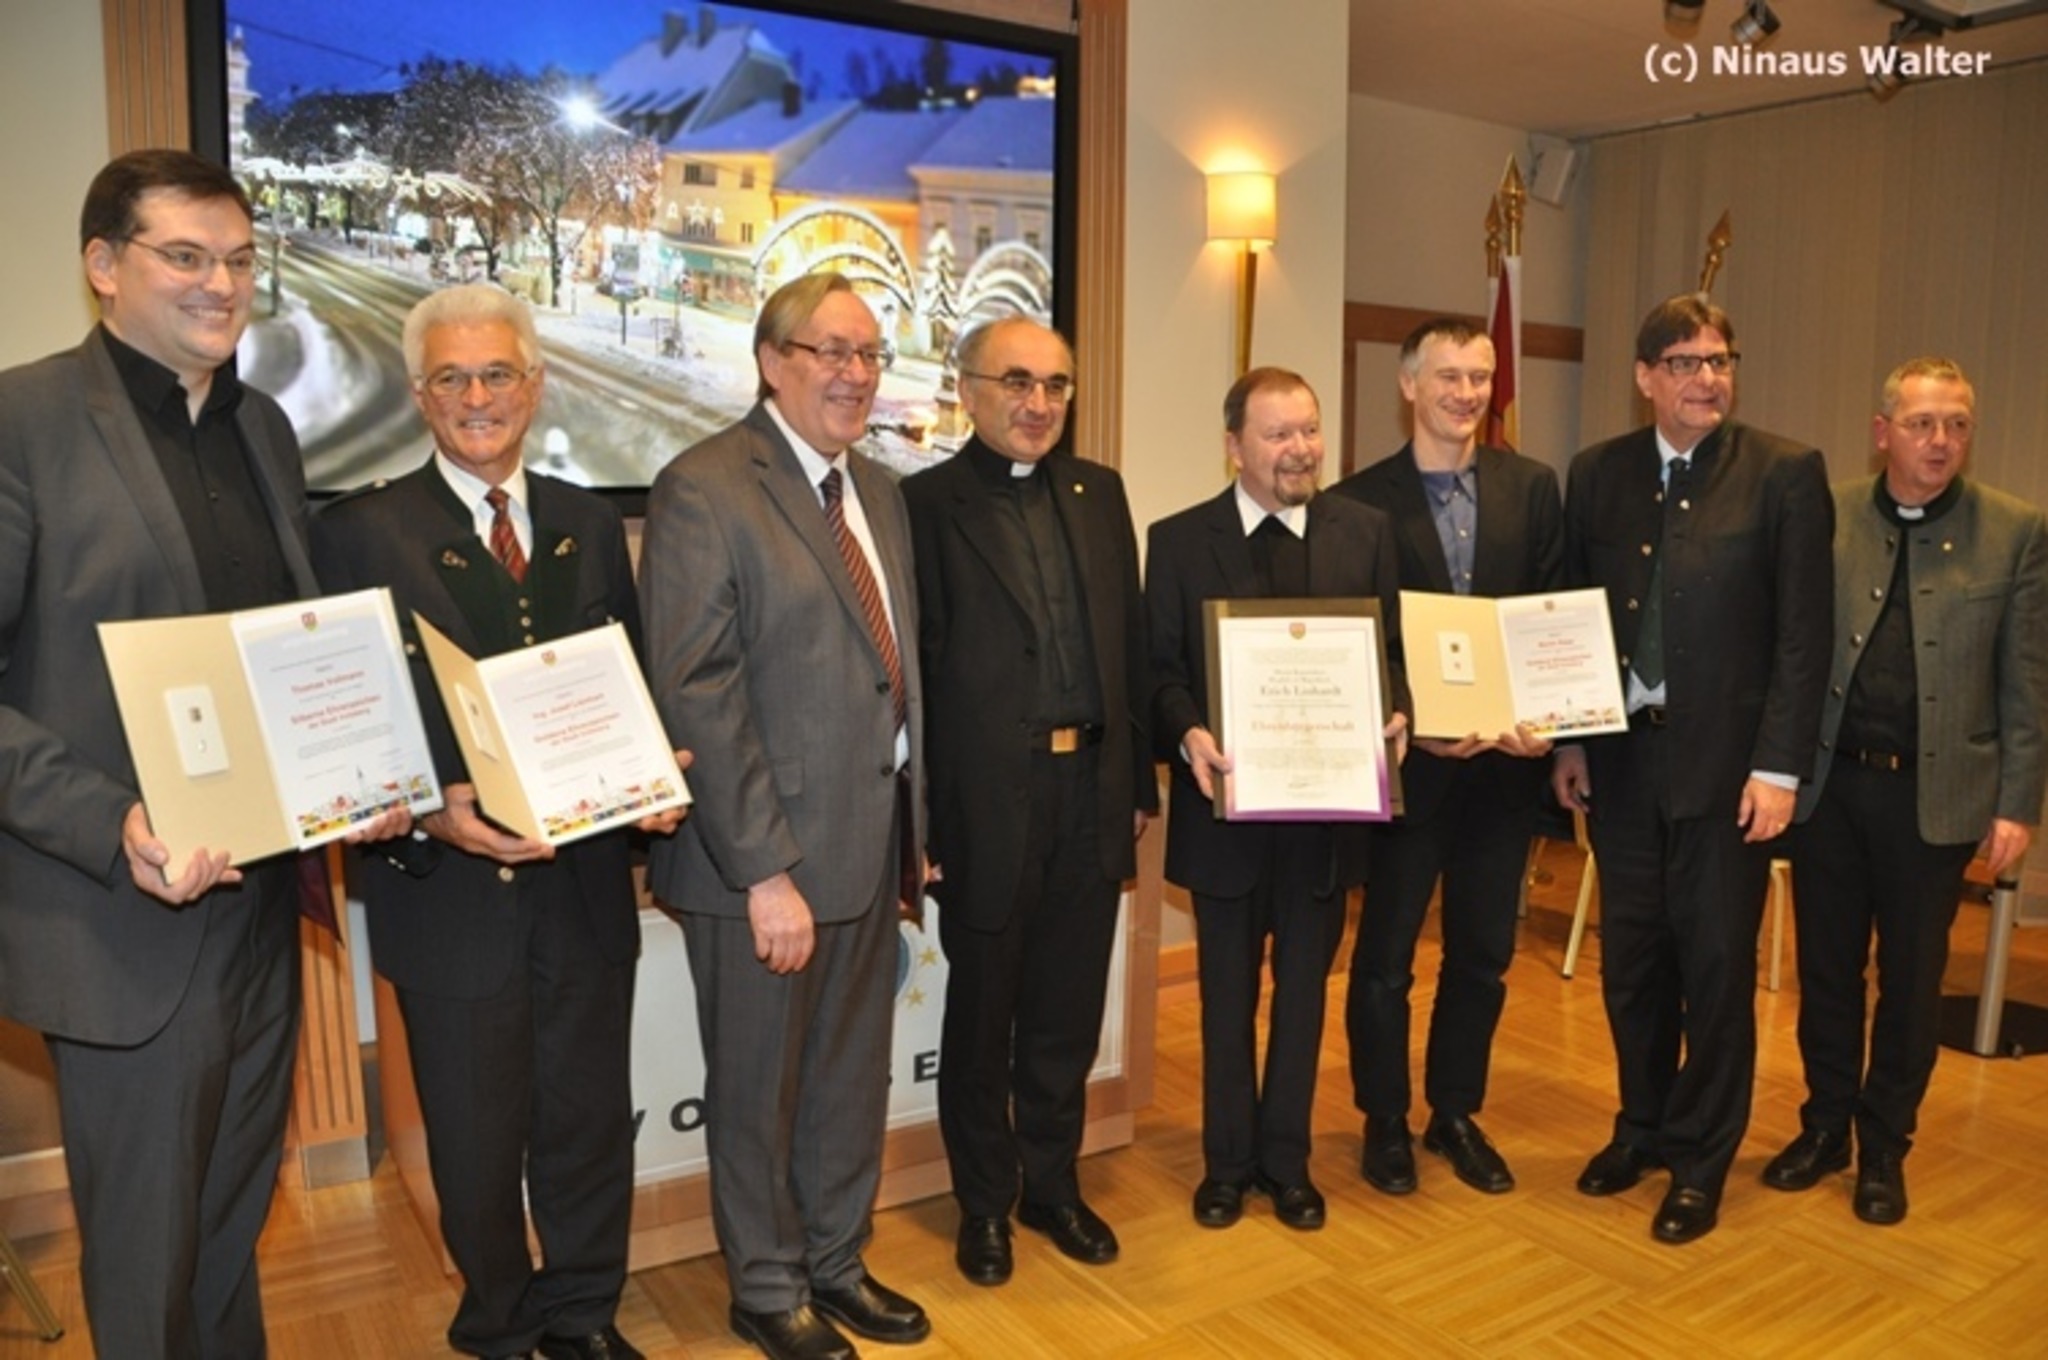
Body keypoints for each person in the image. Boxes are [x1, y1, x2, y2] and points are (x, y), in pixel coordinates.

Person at [0, 149, 403, 1358]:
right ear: (102, 267)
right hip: (121, 918)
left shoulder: (264, 427)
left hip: (258, 906)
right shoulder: (20, 422)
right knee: (143, 1264)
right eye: (185, 256)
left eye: (237, 260)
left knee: (228, 1235)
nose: (221, 285)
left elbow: (287, 653)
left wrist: (359, 777)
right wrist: (110, 822)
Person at [314, 285, 685, 1360]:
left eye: (497, 375)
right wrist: (431, 811)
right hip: (449, 897)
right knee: (475, 1143)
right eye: (451, 378)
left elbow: (623, 687)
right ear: (418, 394)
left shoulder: (581, 520)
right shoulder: (353, 531)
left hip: (579, 888)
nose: (477, 398)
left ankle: (583, 1317)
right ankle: (498, 1323)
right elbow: (345, 725)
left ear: (534, 384)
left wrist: (650, 773)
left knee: (584, 1127)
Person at [640, 273, 929, 1360]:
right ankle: (764, 1287)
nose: (854, 375)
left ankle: (835, 1263)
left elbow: (892, 680)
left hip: (868, 849)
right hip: (761, 866)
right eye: (829, 352)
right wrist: (764, 870)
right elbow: (697, 690)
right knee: (759, 1094)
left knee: (849, 1081)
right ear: (770, 361)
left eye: (869, 355)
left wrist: (918, 827)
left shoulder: (883, 492)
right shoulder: (703, 487)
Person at [1551, 293, 1833, 1244]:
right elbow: (1569, 619)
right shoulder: (1598, 476)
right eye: (1684, 362)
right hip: (1623, 766)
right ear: (1644, 379)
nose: (1706, 378)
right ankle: (1643, 1127)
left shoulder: (1785, 473)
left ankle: (1701, 1159)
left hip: (1729, 776)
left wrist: (1779, 770)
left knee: (1715, 970)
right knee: (1633, 967)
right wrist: (1571, 739)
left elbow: (1804, 637)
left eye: (1719, 359)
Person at [901, 317, 1155, 1286]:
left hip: (1088, 790)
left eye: (1055, 384)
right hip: (984, 805)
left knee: (1064, 1009)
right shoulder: (921, 503)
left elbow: (1125, 647)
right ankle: (983, 1203)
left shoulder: (1100, 495)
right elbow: (914, 676)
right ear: (966, 389)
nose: (1038, 402)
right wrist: (919, 819)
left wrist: (1131, 785)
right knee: (983, 1018)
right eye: (1016, 381)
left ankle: (1051, 1185)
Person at [1764, 357, 2048, 1225]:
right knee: (1828, 972)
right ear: (1883, 431)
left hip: (1936, 801)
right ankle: (1824, 1128)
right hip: (1831, 793)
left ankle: (1885, 1146)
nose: (1941, 441)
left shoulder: (2016, 530)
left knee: (1914, 982)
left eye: (1957, 424)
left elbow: (2028, 682)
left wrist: (2016, 803)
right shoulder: (1831, 513)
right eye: (1923, 424)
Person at [1146, 366, 1409, 1233]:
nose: (1300, 449)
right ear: (1234, 446)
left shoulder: (1364, 532)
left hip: (1325, 821)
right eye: (1277, 434)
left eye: (1309, 430)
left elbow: (1391, 653)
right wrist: (1188, 732)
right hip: (1226, 816)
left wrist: (1398, 709)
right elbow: (1160, 673)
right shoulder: (1180, 540)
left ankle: (1287, 1163)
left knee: (1303, 998)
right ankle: (1226, 1166)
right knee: (1226, 999)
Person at [1330, 318, 1563, 1198]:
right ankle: (1383, 1119)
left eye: (1479, 377)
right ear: (1408, 384)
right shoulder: (1357, 500)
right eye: (1448, 377)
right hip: (1409, 768)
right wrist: (1411, 717)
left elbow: (1550, 613)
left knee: (1483, 954)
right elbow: (1366, 636)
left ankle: (1454, 1114)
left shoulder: (1533, 488)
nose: (1465, 394)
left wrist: (1550, 718)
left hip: (1505, 771)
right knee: (1385, 957)